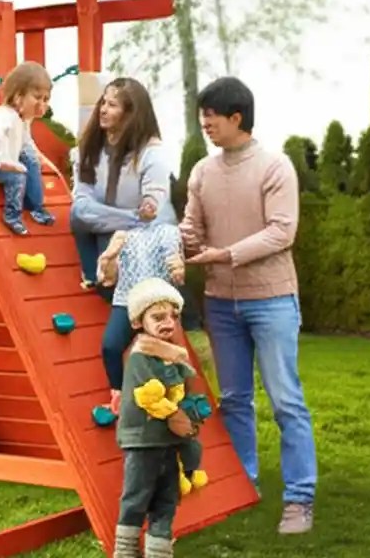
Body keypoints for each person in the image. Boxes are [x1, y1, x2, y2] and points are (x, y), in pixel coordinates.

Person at [180, 76, 318, 535]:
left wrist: (226, 254)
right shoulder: (202, 171)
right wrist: (180, 241)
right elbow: (192, 227)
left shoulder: (274, 167)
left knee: (286, 401)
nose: (206, 126)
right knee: (234, 401)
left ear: (236, 118)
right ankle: (243, 487)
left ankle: (300, 499)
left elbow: (283, 231)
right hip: (220, 302)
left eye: (211, 118)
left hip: (273, 300)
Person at [112, 278, 212, 558]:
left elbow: (183, 388)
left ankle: (158, 551)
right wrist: (178, 416)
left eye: (173, 316)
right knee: (136, 498)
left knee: (167, 499)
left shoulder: (171, 353)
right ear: (137, 322)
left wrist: (192, 408)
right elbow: (149, 396)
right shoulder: (140, 355)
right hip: (143, 440)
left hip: (168, 442)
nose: (167, 322)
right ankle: (125, 552)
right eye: (158, 317)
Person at [70, 76, 174, 297]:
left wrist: (148, 207)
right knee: (78, 213)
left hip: (134, 235)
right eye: (103, 103)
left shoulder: (151, 152)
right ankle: (92, 277)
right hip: (104, 221)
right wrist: (133, 217)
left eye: (112, 105)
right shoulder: (88, 147)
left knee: (151, 223)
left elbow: (155, 200)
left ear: (130, 114)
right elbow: (82, 199)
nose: (103, 110)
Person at [93, 219, 186, 422]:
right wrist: (109, 257)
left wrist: (179, 268)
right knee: (111, 345)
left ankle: (173, 399)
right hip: (128, 298)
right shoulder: (121, 230)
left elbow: (179, 275)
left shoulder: (169, 231)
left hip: (160, 298)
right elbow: (106, 279)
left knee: (166, 351)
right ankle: (119, 393)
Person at [0, 61, 56, 235]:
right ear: (18, 97)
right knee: (17, 175)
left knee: (30, 159)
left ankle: (35, 206)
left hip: (1, 155)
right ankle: (12, 216)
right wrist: (5, 163)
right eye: (37, 98)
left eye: (46, 99)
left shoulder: (23, 119)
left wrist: (37, 156)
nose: (42, 104)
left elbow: (26, 142)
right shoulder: (5, 117)